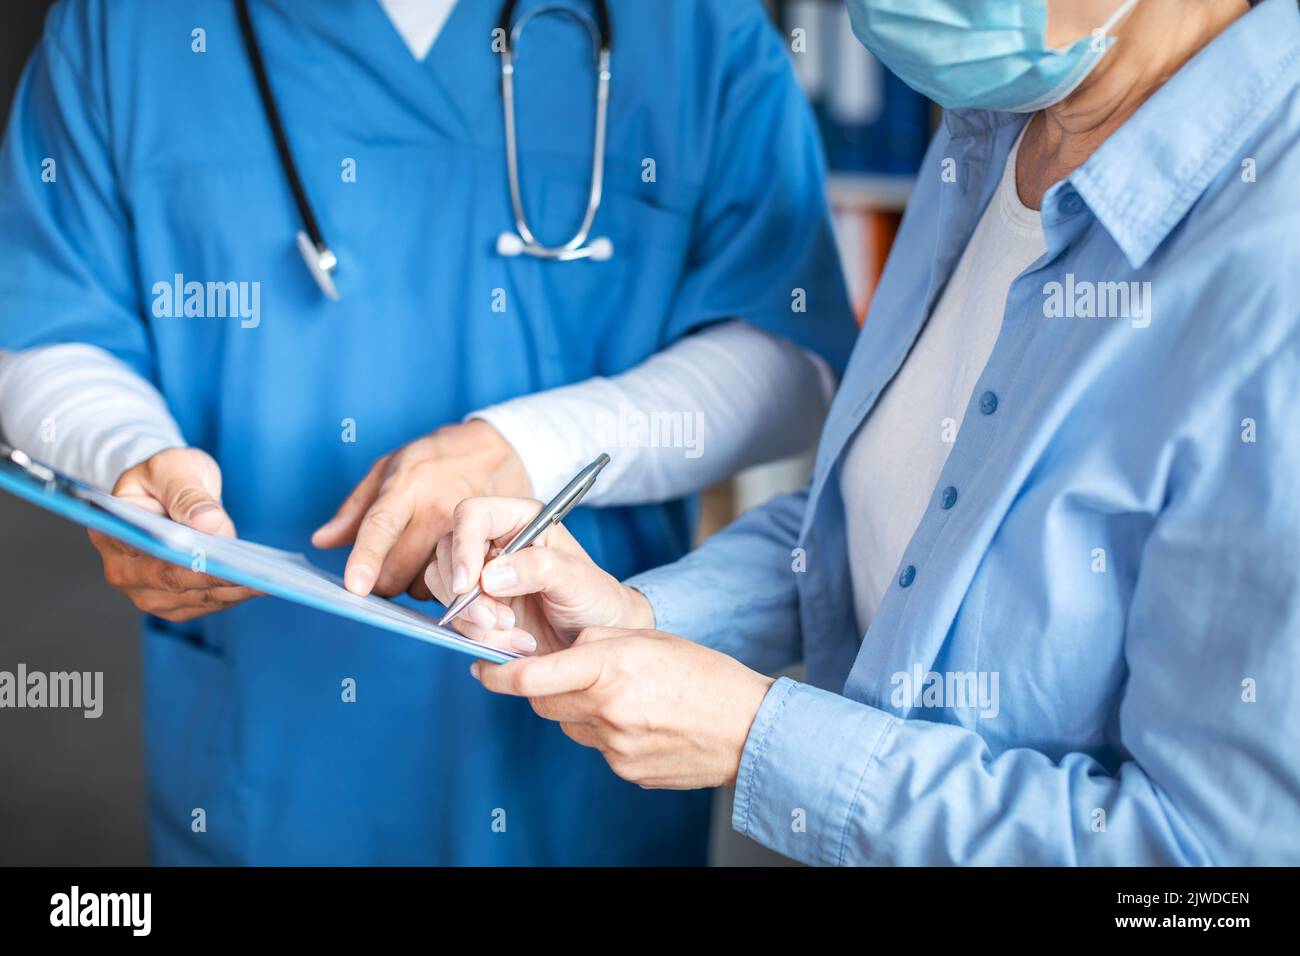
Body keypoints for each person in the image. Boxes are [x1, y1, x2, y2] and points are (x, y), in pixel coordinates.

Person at [428, 0, 1300, 864]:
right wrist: (648, 615)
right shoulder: (994, 131)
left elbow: (1207, 878)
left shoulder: (1269, 275)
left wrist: (758, 740)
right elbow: (901, 530)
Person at [0, 0, 855, 864]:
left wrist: (530, 445)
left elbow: (792, 352)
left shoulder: (696, 28)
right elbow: (47, 322)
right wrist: (125, 458)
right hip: (267, 742)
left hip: (570, 736)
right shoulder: (126, 26)